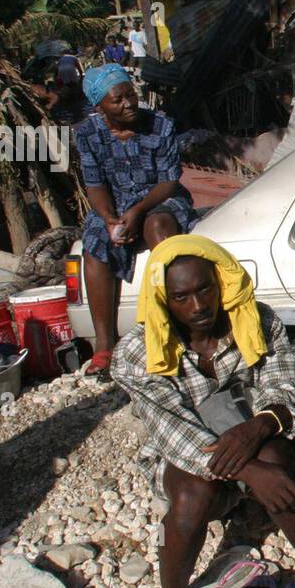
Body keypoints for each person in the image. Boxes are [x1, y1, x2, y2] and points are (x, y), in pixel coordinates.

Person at [111, 235, 295, 588]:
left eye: (205, 289)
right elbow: (172, 430)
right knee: (190, 497)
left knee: (278, 462)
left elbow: (281, 390)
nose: (198, 305)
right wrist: (247, 469)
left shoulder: (257, 320)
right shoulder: (135, 353)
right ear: (164, 299)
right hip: (191, 451)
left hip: (253, 430)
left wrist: (257, 428)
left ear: (221, 282)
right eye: (181, 296)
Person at [75, 64, 197, 378]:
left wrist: (138, 211)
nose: (128, 103)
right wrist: (108, 219)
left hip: (159, 197)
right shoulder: (88, 134)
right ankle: (105, 344)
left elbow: (168, 181)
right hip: (115, 202)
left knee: (158, 225)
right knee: (95, 247)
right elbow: (95, 184)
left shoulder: (161, 125)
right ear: (99, 106)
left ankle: (176, 327)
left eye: (131, 94)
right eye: (118, 100)